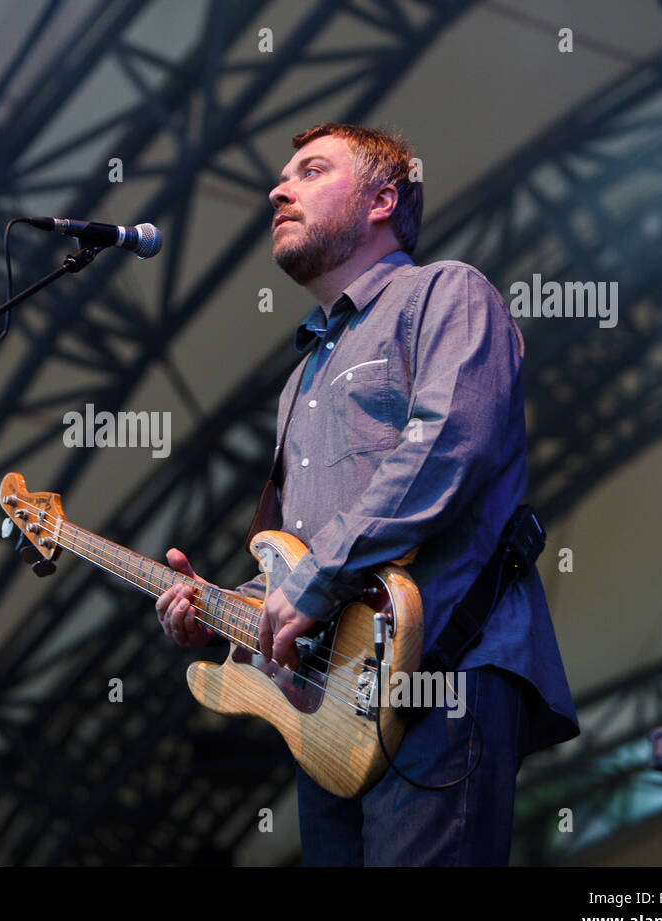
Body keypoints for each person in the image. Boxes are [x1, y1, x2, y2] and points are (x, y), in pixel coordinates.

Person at [154, 123, 579, 866]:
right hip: (332, 708)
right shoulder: (300, 379)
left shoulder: (446, 292)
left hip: (446, 665)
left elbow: (450, 442)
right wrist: (225, 607)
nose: (277, 189)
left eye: (311, 171)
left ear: (384, 198)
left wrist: (317, 578)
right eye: (283, 176)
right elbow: (305, 555)